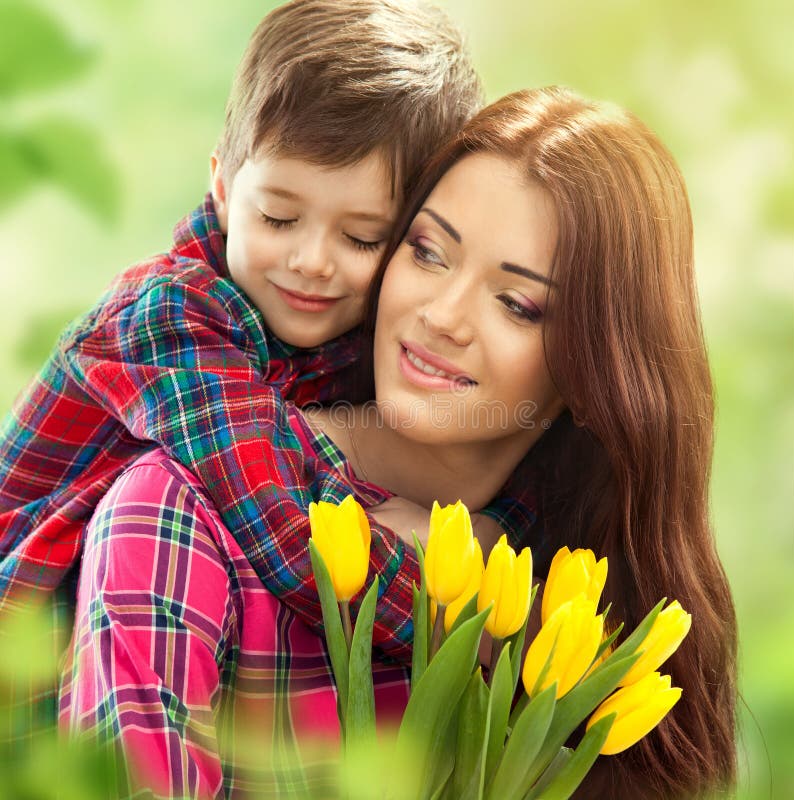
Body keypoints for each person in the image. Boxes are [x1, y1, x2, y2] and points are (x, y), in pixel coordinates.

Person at [65, 86, 737, 800]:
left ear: (598, 369)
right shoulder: (178, 511)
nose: (442, 315)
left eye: (518, 304)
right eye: (427, 252)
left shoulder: (572, 609)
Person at [0, 0, 522, 650]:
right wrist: (458, 587)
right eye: (278, 218)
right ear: (221, 184)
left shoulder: (363, 332)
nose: (311, 263)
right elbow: (285, 530)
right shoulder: (168, 316)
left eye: (362, 238)